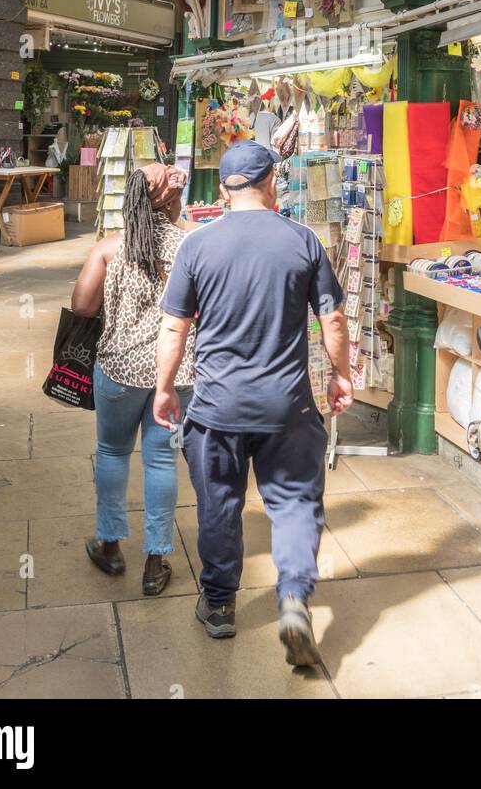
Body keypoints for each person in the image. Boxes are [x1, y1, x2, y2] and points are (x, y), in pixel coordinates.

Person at [153, 141, 352, 666]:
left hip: (217, 407)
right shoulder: (302, 240)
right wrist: (341, 374)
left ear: (222, 189)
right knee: (293, 503)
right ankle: (292, 598)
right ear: (271, 183)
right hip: (287, 406)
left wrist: (165, 386)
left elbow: (174, 326)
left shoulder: (196, 246)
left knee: (219, 503)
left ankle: (219, 605)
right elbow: (332, 320)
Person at [71, 162, 192, 596]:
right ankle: (155, 561)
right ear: (173, 200)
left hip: (118, 371)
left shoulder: (111, 247)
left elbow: (82, 305)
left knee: (111, 451)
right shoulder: (192, 246)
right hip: (176, 375)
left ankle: (109, 545)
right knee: (161, 461)